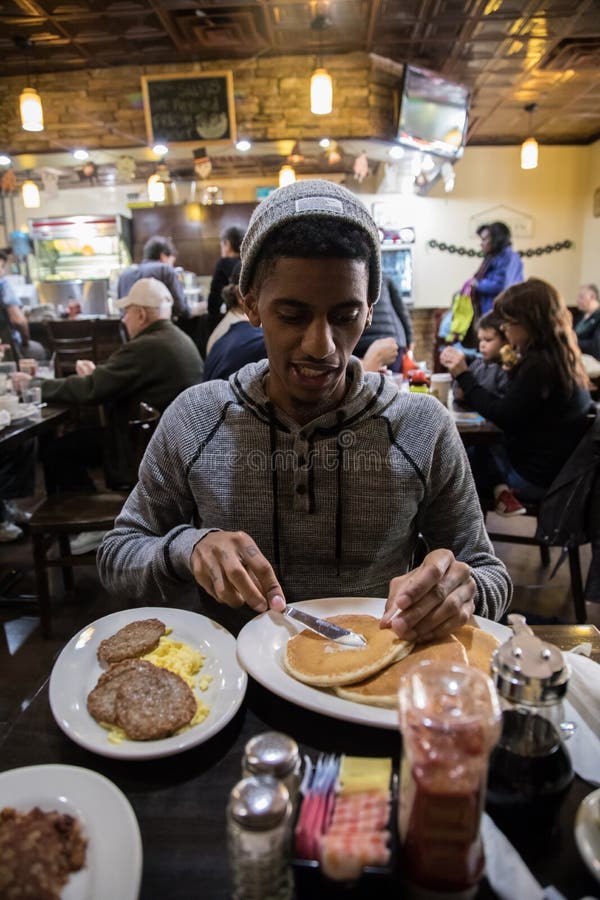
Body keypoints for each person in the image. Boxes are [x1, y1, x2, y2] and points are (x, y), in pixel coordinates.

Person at [98, 179, 511, 644]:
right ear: (251, 304)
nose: (321, 346)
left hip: (376, 684)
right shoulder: (196, 419)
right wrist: (187, 548)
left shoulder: (422, 427)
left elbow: (486, 571)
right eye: (292, 316)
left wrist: (463, 591)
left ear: (371, 308)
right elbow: (116, 555)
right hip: (232, 689)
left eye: (344, 316)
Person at [13, 278, 205, 499]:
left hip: (139, 452)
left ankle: (83, 518)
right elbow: (109, 381)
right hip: (170, 447)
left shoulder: (145, 346)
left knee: (57, 452)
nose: (123, 320)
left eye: (127, 313)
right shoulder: (178, 339)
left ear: (141, 315)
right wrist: (98, 376)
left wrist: (33, 385)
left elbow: (89, 390)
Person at [442, 278, 593, 514]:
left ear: (530, 323)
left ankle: (468, 542)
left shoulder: (539, 365)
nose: (504, 328)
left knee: (459, 459)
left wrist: (463, 375)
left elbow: (502, 415)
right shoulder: (560, 356)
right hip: (561, 473)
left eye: (509, 322)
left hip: (535, 479)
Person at [441, 312, 525, 516]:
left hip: (499, 441)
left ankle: (501, 493)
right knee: (457, 453)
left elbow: (499, 404)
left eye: (488, 340)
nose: (482, 345)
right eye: (480, 340)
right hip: (478, 429)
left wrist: (470, 390)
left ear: (506, 340)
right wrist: (460, 388)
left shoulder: (506, 369)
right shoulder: (479, 364)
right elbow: (464, 387)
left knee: (479, 452)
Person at [117, 236, 203, 320]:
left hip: (129, 330)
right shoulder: (165, 270)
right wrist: (197, 308)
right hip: (157, 329)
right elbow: (180, 308)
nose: (172, 265)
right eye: (171, 261)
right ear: (163, 256)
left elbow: (121, 309)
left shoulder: (125, 274)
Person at [354, 275, 414, 373]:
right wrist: (410, 340)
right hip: (393, 341)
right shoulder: (384, 276)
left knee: (363, 381)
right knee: (392, 381)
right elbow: (402, 311)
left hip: (361, 344)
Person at [0, 250, 47, 361]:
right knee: (39, 351)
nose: (2, 272)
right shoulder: (3, 285)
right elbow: (18, 321)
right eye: (1, 267)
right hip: (9, 348)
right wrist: (25, 341)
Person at [469, 222, 524, 317]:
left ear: (496, 239)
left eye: (484, 239)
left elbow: (503, 285)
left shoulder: (509, 257)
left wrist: (477, 284)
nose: (481, 244)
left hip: (501, 313)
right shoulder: (493, 258)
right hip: (490, 311)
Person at [206, 226, 245, 332]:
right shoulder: (248, 262)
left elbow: (215, 297)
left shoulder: (223, 263)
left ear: (227, 244)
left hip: (234, 318)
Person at [574, 283, 600, 360]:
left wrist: (572, 341)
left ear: (592, 297)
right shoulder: (582, 316)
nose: (578, 300)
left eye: (581, 297)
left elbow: (596, 346)